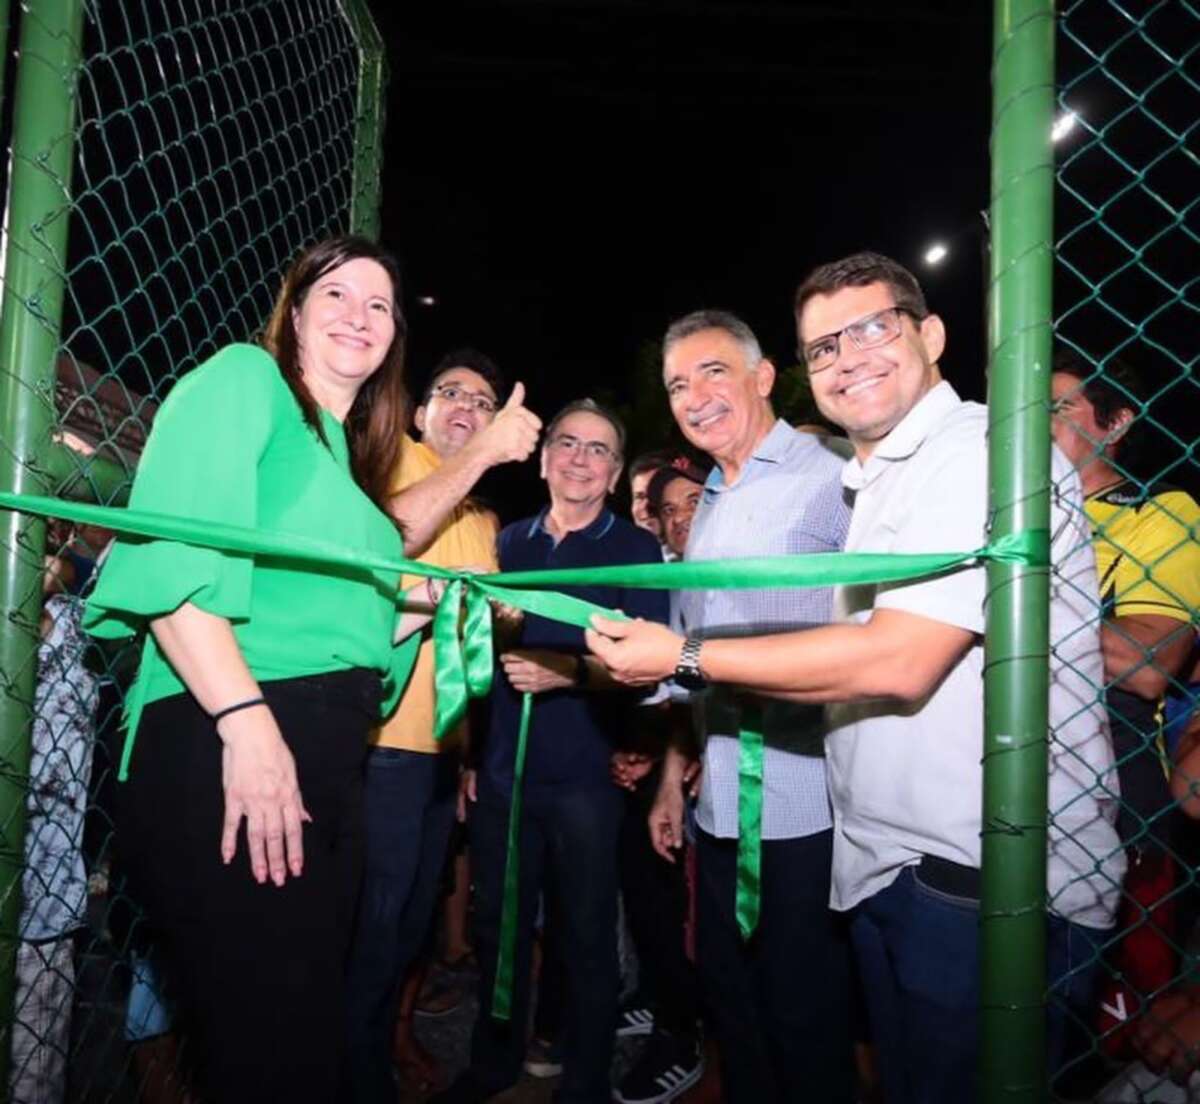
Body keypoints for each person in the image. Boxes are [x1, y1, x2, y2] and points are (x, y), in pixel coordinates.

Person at [587, 252, 1125, 1104]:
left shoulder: (976, 453)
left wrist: (680, 660)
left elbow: (899, 660)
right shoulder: (868, 482)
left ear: (933, 335)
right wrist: (671, 748)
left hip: (987, 875)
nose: (851, 357)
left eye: (874, 328)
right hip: (887, 861)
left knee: (823, 1035)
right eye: (827, 346)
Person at [84, 235, 444, 1104]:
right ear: (294, 310)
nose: (359, 316)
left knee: (295, 1039)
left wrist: (414, 612)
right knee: (270, 1050)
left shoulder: (344, 466)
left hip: (325, 753)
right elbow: (173, 566)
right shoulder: (245, 379)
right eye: (337, 295)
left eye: (380, 306)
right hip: (230, 732)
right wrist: (246, 725)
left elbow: (332, 630)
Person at [642, 310, 856, 1104]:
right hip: (720, 806)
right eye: (675, 385)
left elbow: (870, 640)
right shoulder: (713, 504)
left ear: (763, 377)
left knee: (805, 1021)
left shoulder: (833, 475)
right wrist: (671, 775)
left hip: (807, 808)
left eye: (712, 372)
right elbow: (696, 659)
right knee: (737, 1017)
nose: (693, 396)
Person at [436, 399, 668, 1104]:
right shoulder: (505, 543)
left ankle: (586, 1081)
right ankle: (494, 1065)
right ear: (542, 459)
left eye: (598, 450)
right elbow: (467, 656)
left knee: (588, 938)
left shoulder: (635, 551)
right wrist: (470, 756)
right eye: (566, 443)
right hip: (505, 773)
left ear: (614, 470)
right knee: (497, 929)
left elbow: (652, 665)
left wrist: (569, 672)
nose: (578, 458)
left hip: (585, 784)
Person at [344, 348, 519, 1101]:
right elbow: (382, 564)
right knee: (369, 933)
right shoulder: (386, 472)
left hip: (442, 753)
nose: (467, 409)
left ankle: (378, 1055)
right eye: (452, 393)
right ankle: (347, 1075)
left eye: (483, 403)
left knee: (411, 927)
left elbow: (478, 641)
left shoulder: (484, 517)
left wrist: (504, 618)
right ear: (420, 412)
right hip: (379, 746)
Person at [1051, 351, 1200, 1055]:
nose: (1036, 427)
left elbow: (1147, 664)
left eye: (1059, 410)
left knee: (1118, 1035)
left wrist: (1011, 603)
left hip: (1115, 811)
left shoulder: (1159, 513)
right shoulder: (992, 521)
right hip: (994, 797)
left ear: (1115, 425)